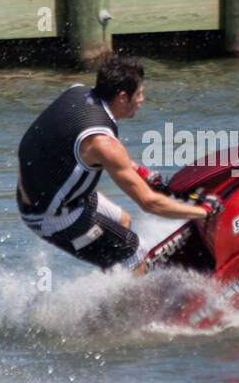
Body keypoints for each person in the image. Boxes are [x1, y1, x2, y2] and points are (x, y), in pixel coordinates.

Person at [16, 54, 218, 273]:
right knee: (135, 251)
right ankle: (137, 307)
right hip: (50, 215)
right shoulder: (103, 143)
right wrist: (205, 212)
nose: (142, 100)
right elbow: (150, 203)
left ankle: (111, 288)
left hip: (49, 190)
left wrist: (141, 172)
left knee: (122, 221)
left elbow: (73, 147)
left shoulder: (77, 92)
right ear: (123, 97)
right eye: (139, 94)